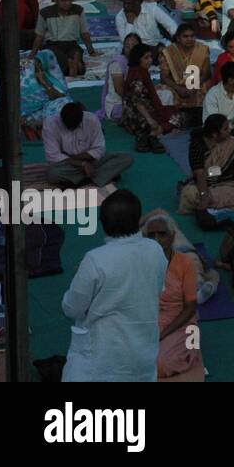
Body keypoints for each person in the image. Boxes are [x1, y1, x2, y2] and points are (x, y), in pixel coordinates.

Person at [61, 190, 168, 382]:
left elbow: (72, 308)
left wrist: (79, 275)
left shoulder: (95, 260)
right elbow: (156, 291)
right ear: (137, 220)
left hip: (101, 359)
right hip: (142, 354)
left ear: (103, 223)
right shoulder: (156, 250)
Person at [140, 215, 203, 380]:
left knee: (162, 365)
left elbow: (190, 307)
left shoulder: (185, 263)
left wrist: (162, 334)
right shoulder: (138, 263)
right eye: (151, 235)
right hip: (147, 319)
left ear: (172, 236)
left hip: (180, 321)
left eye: (162, 234)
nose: (157, 239)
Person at [177, 113, 234, 214]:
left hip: (229, 183)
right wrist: (204, 195)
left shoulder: (232, 142)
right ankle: (232, 207)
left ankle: (213, 209)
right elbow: (199, 173)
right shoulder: (197, 145)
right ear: (214, 134)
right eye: (225, 129)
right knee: (189, 193)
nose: (229, 130)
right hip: (206, 185)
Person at [43, 102, 133, 188]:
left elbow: (99, 149)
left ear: (82, 118)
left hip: (91, 160)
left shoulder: (92, 119)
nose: (71, 129)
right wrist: (82, 164)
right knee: (53, 174)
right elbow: (53, 156)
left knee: (126, 158)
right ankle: (97, 177)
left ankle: (80, 180)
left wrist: (83, 161)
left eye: (74, 126)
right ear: (61, 118)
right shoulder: (50, 124)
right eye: (68, 126)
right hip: (68, 164)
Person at [121, 41, 184, 153]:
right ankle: (154, 133)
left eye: (150, 57)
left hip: (135, 115)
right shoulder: (137, 75)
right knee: (179, 116)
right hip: (139, 117)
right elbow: (137, 101)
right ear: (138, 59)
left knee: (174, 111)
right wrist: (150, 120)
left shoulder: (138, 71)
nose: (150, 60)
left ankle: (149, 135)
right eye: (146, 58)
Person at [31, 0, 97, 76]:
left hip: (72, 44)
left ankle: (75, 65)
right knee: (57, 60)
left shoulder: (78, 10)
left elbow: (84, 32)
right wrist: (33, 54)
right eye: (63, 1)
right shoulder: (45, 12)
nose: (67, 3)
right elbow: (39, 36)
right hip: (52, 45)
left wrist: (91, 51)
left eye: (69, 0)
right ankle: (73, 66)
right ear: (55, 0)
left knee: (76, 56)